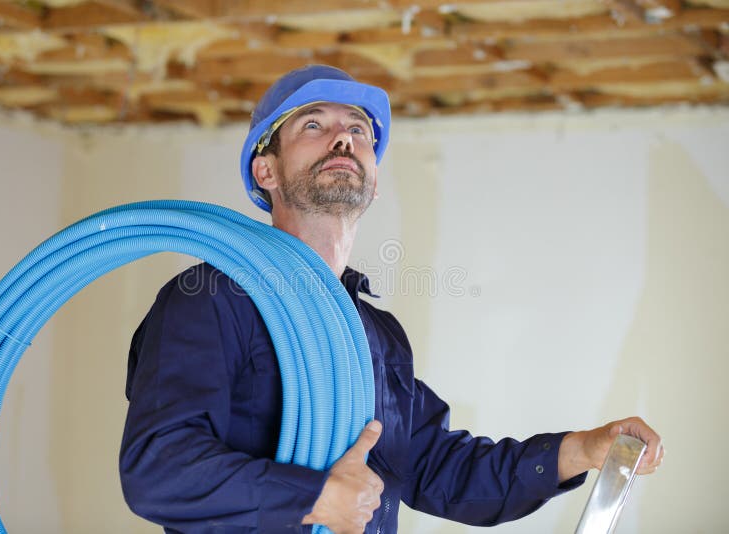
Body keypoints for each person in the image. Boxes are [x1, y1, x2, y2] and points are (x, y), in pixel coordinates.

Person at [119, 65, 663, 534]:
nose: (344, 139)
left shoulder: (373, 334)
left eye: (359, 130)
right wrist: (314, 497)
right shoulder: (213, 302)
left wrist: (581, 449)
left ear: (374, 182)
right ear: (267, 171)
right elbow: (159, 468)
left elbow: (435, 468)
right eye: (315, 125)